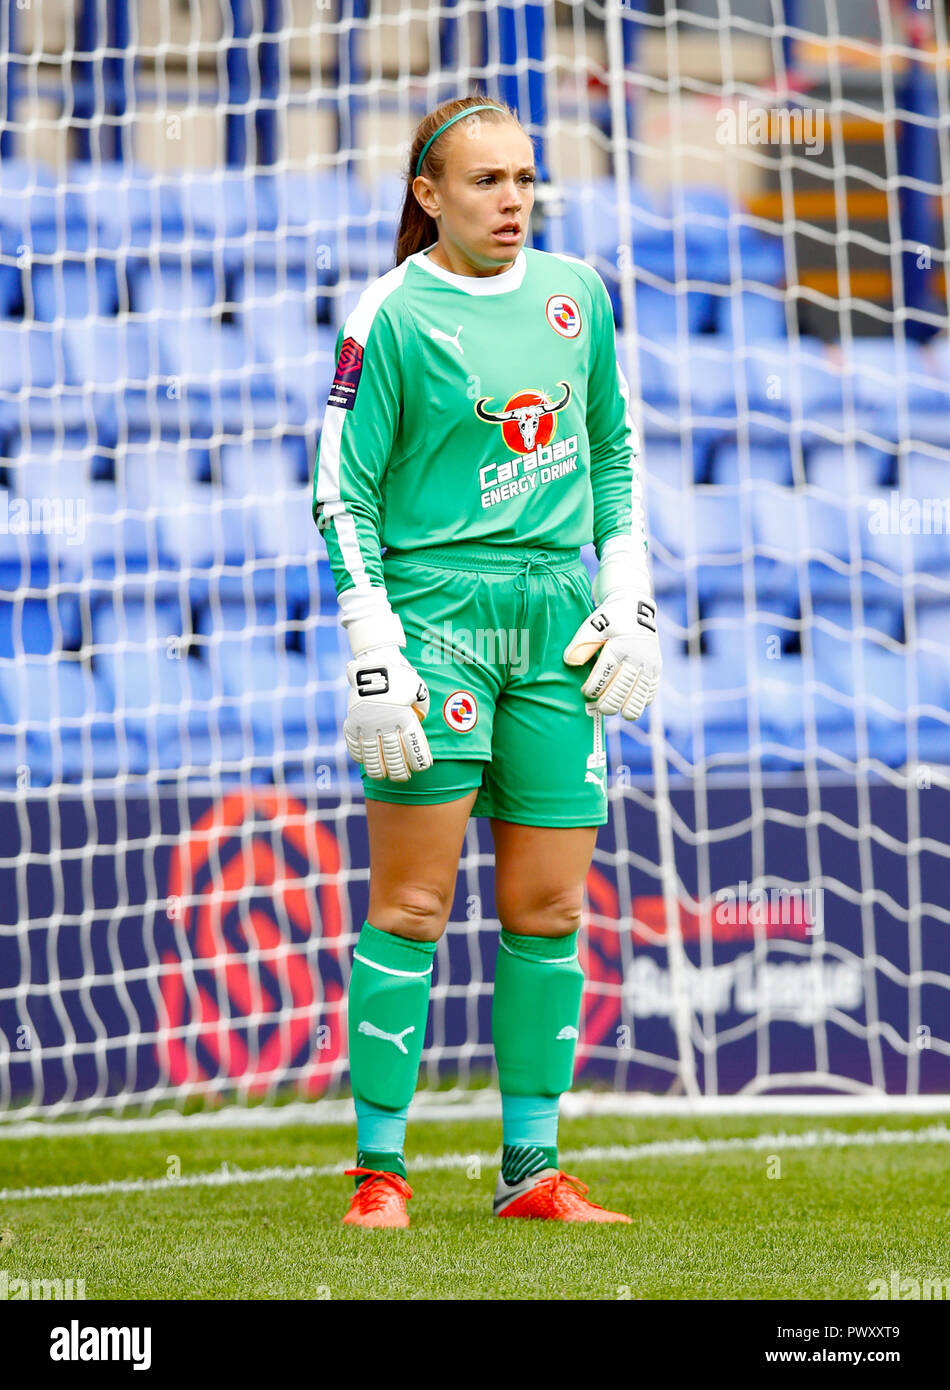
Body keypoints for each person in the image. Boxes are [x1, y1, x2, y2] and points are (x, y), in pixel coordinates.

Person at [313, 94, 661, 1228]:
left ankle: (531, 1170)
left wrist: (626, 587)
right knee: (413, 902)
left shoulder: (578, 298)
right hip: (437, 619)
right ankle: (379, 1175)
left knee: (550, 907)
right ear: (428, 194)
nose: (512, 200)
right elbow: (340, 490)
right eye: (485, 182)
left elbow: (610, 446)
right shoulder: (391, 314)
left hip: (555, 619)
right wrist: (372, 639)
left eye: (524, 179)